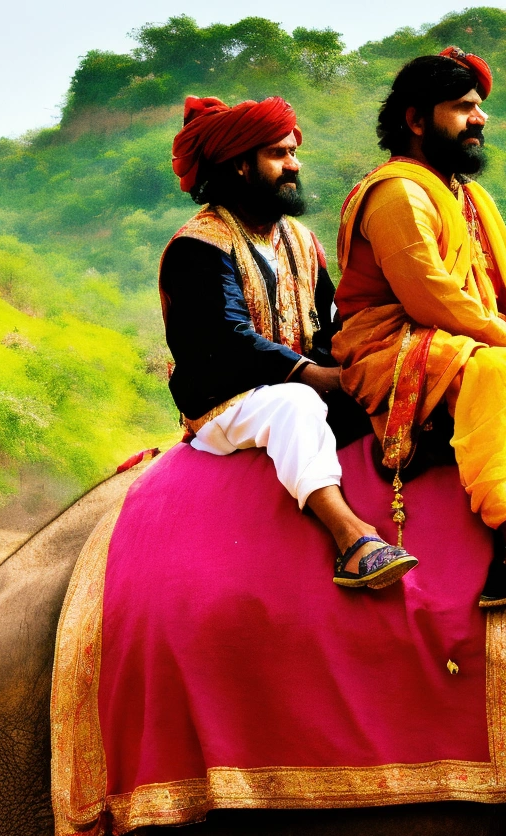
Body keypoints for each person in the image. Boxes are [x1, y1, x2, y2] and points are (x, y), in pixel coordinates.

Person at [331, 46, 506, 613]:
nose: (479, 118)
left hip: (462, 333)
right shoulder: (398, 194)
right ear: (416, 120)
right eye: (463, 107)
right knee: (500, 370)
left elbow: (499, 288)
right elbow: (435, 300)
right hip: (396, 345)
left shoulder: (467, 193)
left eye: (479, 107)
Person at [161, 94, 409, 592]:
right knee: (294, 402)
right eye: (279, 154)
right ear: (238, 165)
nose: (293, 165)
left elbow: (334, 320)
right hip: (224, 403)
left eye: (294, 153)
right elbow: (228, 343)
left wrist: (370, 362)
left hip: (301, 388)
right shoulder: (198, 245)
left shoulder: (300, 238)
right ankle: (352, 539)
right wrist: (318, 377)